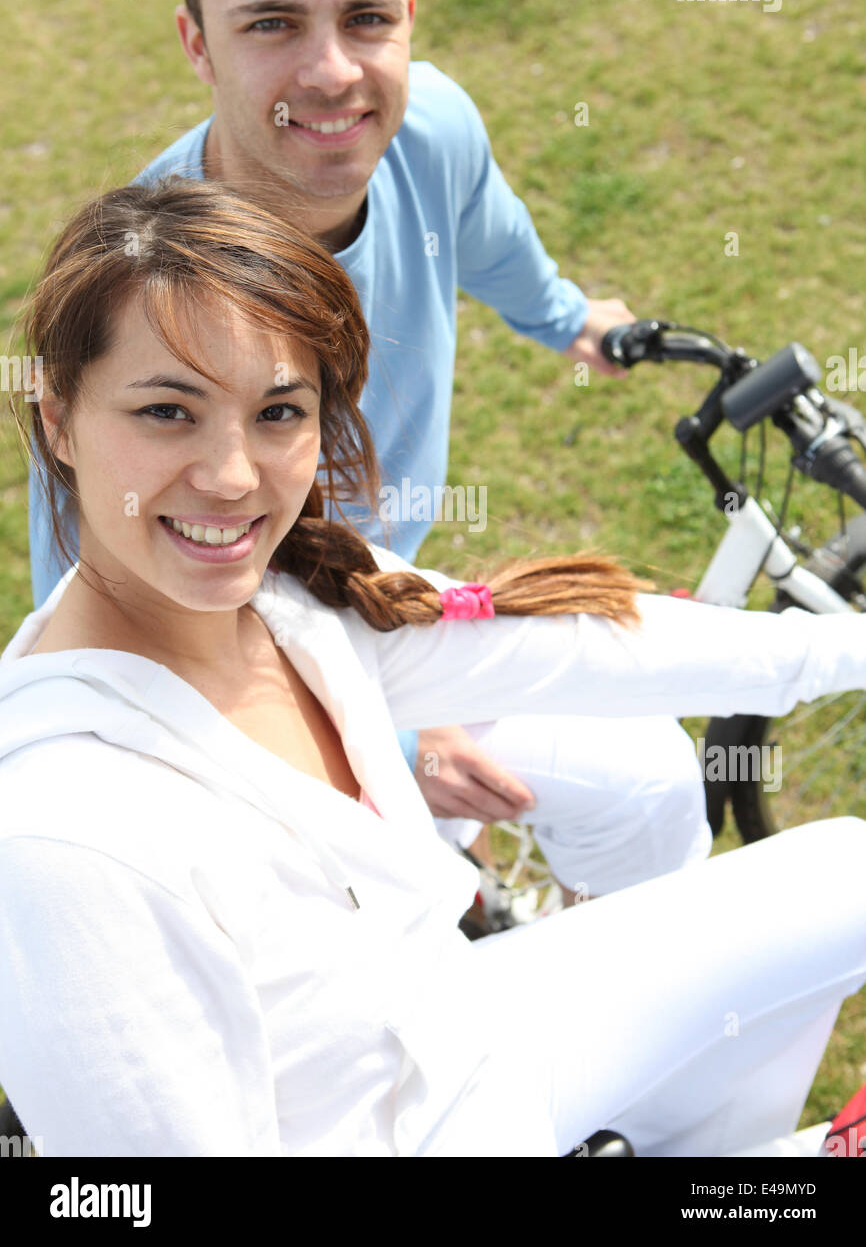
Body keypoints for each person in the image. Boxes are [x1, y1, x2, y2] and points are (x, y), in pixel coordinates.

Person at [3, 178, 866, 1158]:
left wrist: (844, 648)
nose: (233, 474)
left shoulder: (290, 599)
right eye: (168, 411)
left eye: (278, 411)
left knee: (844, 866)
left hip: (467, 1043)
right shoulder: (64, 844)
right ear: (60, 414)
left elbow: (581, 650)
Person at [25, 0, 710, 901]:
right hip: (240, 694)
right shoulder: (138, 291)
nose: (332, 71)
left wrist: (568, 318)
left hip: (389, 608)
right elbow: (106, 626)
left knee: (653, 780)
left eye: (364, 17)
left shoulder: (431, 129)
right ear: (195, 43)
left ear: (409, 19)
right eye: (271, 24)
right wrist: (383, 738)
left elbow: (491, 241)